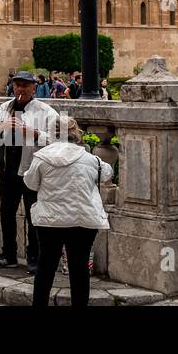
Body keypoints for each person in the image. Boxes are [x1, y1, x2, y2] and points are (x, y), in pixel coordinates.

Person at [25, 115, 112, 307]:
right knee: (79, 268)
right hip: (82, 220)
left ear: (51, 133)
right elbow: (107, 173)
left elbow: (31, 183)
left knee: (46, 266)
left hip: (50, 220)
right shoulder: (91, 159)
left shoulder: (41, 157)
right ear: (76, 133)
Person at [0, 71, 58, 273]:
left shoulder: (46, 112)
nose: (20, 89)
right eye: (17, 85)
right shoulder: (4, 108)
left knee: (34, 215)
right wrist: (1, 127)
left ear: (34, 88)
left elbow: (56, 141)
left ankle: (34, 256)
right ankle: (9, 254)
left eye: (25, 85)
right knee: (6, 213)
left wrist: (31, 132)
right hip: (8, 170)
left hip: (32, 171)